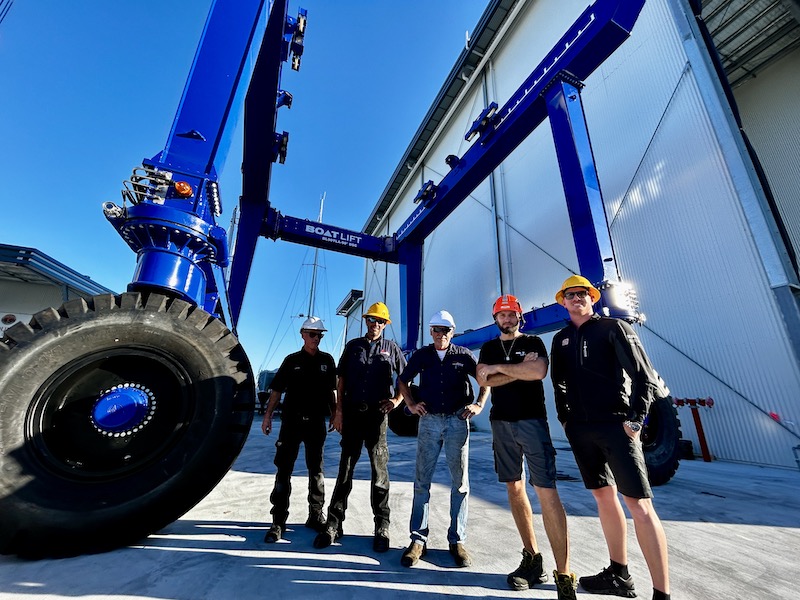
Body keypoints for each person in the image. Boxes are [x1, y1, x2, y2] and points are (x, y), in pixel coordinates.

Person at [551, 275, 670, 600]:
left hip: (616, 427)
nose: (577, 299)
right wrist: (565, 420)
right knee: (604, 497)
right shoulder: (561, 339)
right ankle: (619, 574)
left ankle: (662, 593)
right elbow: (558, 384)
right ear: (563, 300)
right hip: (581, 429)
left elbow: (644, 378)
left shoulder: (614, 329)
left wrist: (635, 421)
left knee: (639, 505)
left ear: (592, 297)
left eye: (582, 294)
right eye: (570, 295)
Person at [476, 294, 576, 600]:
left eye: (512, 314)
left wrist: (499, 371)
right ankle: (532, 560)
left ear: (521, 317)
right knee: (514, 488)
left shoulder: (534, 342)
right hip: (500, 424)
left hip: (532, 423)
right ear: (495, 319)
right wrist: (515, 368)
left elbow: (538, 372)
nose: (507, 319)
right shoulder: (489, 347)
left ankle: (563, 573)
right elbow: (483, 379)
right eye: (501, 315)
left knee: (546, 491)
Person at [396, 310, 489, 569]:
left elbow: (485, 380)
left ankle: (457, 541)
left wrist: (479, 405)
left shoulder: (463, 356)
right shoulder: (422, 356)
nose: (441, 334)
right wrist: (412, 404)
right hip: (429, 422)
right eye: (436, 329)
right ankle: (417, 540)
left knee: (460, 484)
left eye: (446, 330)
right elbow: (403, 381)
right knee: (421, 482)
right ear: (430, 331)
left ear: (453, 332)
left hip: (457, 422)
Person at [313, 302, 406, 553]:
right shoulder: (353, 346)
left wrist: (397, 400)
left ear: (385, 324)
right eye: (371, 320)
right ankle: (333, 524)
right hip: (353, 415)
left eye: (379, 321)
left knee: (379, 473)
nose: (374, 324)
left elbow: (404, 379)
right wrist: (339, 412)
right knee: (345, 471)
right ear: (366, 321)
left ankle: (382, 526)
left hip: (377, 417)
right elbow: (340, 381)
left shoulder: (392, 349)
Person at [261, 317, 337, 543]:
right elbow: (276, 390)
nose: (316, 338)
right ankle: (278, 521)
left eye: (319, 335)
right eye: (312, 334)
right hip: (291, 423)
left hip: (316, 423)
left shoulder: (327, 361)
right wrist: (268, 416)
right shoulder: (291, 360)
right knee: (284, 470)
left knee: (317, 470)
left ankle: (315, 515)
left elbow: (333, 390)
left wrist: (335, 413)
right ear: (303, 334)